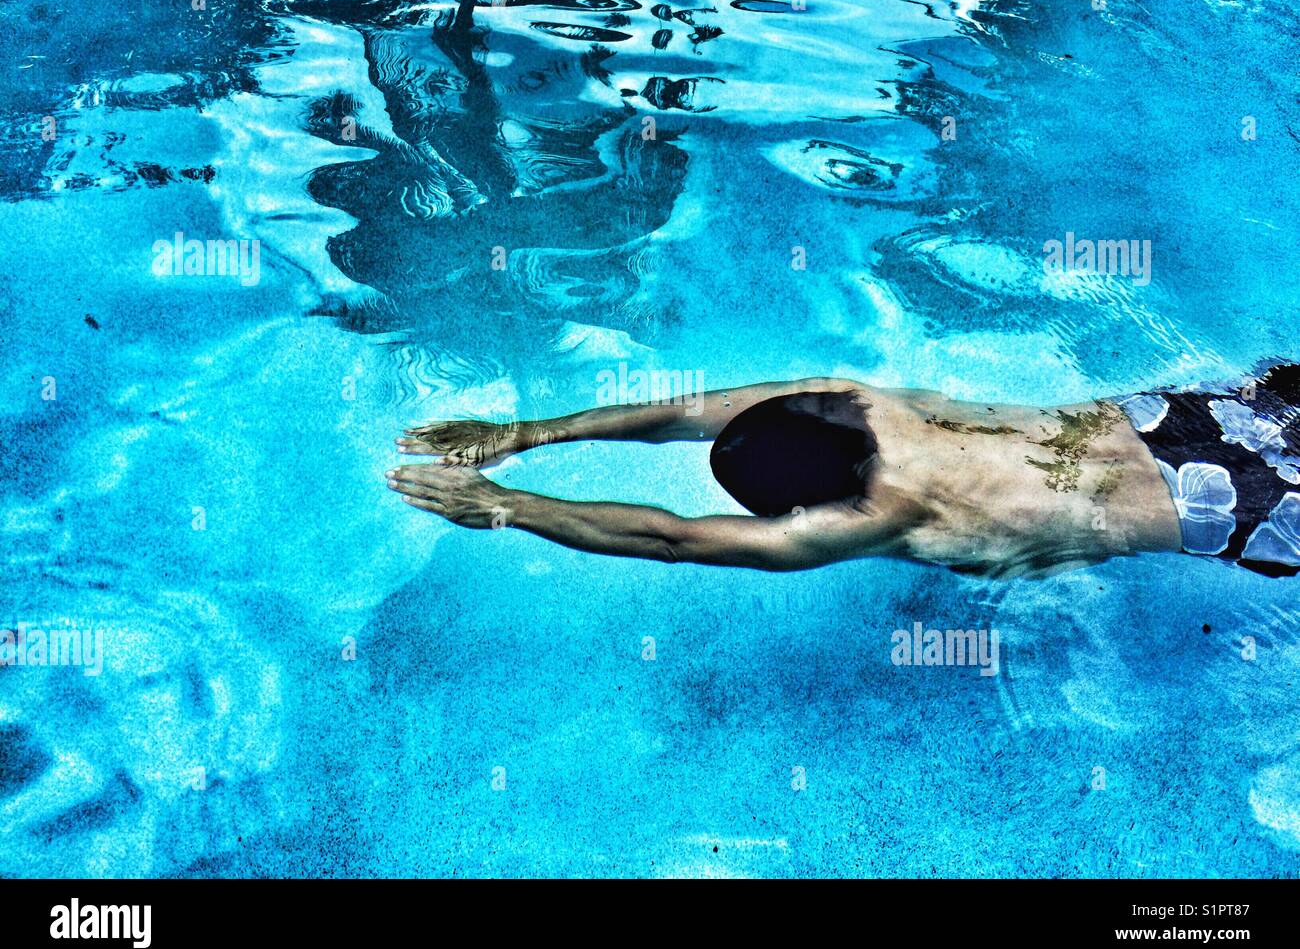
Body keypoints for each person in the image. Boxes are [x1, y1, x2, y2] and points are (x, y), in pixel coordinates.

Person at [385, 366, 1300, 578]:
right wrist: (526, 430)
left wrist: (506, 507)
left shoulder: (877, 515)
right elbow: (686, 411)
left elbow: (667, 538)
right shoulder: (858, 400)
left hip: (1226, 512)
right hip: (1179, 415)